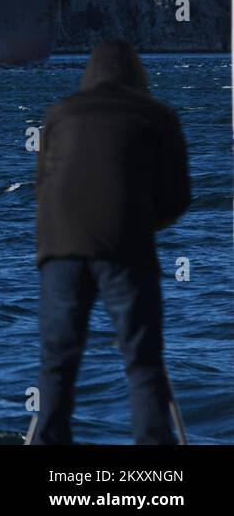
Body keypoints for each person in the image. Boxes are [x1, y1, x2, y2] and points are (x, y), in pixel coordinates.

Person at [32, 40, 190, 444]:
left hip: (60, 247)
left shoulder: (59, 114)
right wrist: (138, 222)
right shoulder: (159, 116)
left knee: (58, 363)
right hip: (126, 246)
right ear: (139, 74)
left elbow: (43, 187)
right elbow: (178, 197)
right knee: (142, 362)